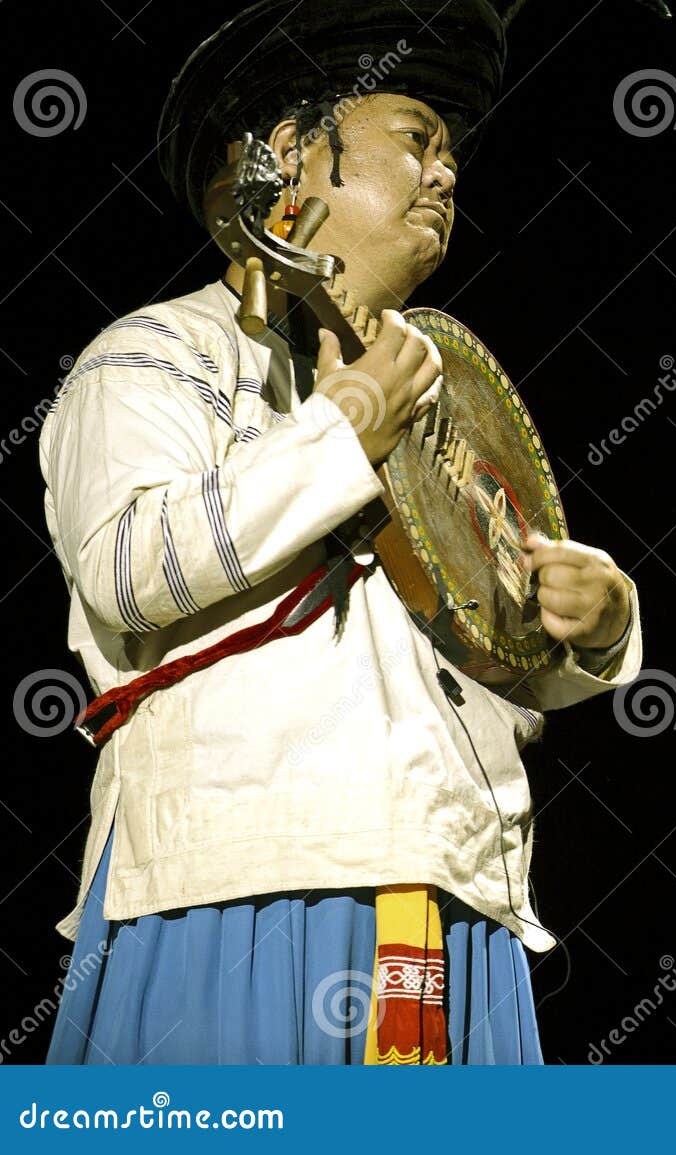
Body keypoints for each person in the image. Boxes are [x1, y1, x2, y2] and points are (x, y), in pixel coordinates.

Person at [41, 0, 645, 1064]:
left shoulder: (443, 404)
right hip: (238, 879)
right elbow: (128, 574)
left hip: (455, 885)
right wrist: (346, 428)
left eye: (452, 153)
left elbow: (485, 649)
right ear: (289, 156)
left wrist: (592, 623)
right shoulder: (150, 355)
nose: (448, 175)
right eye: (417, 138)